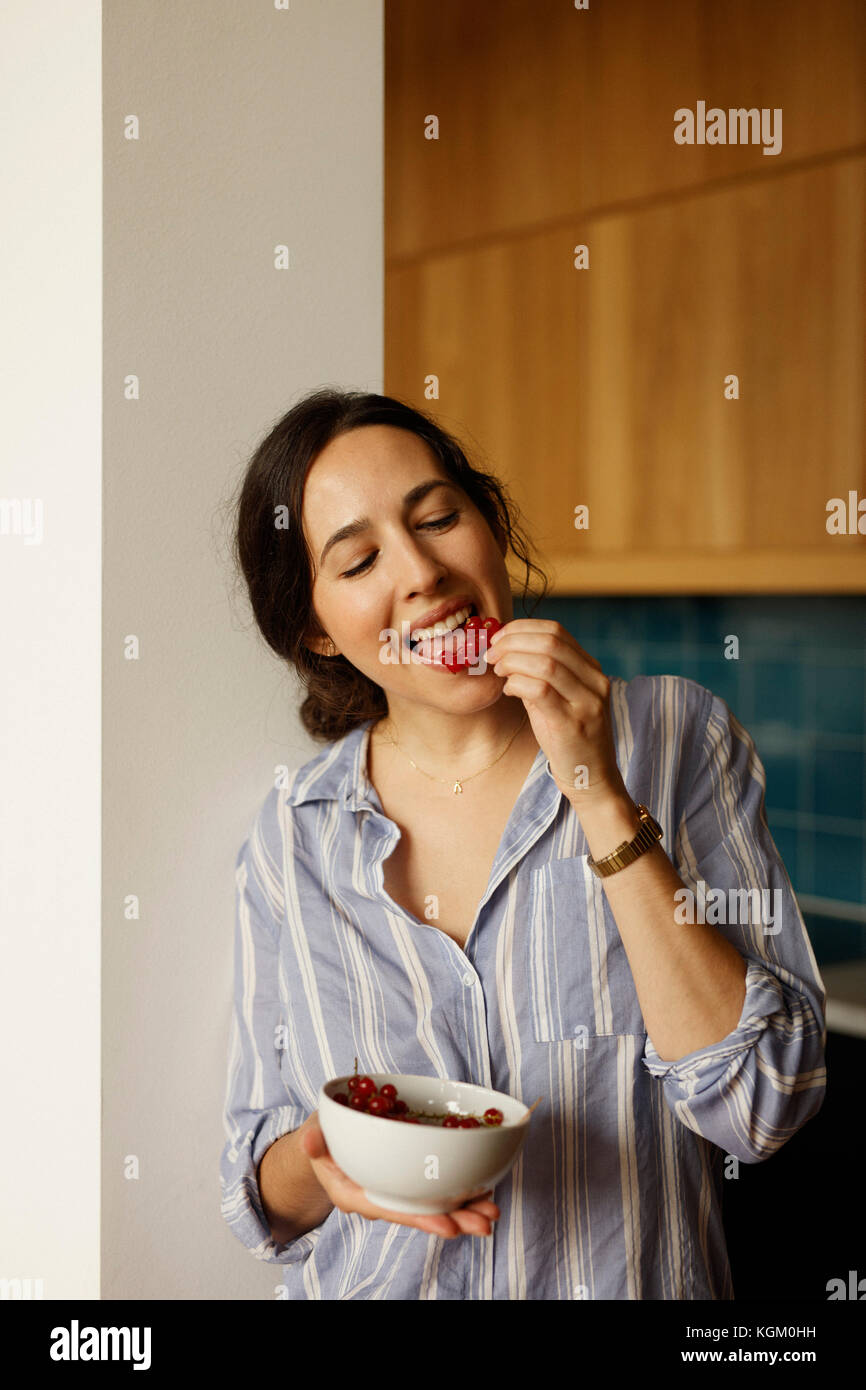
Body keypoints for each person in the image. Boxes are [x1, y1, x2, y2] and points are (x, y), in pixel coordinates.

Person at [219, 388, 827, 1300]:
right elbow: (262, 1190)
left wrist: (598, 792)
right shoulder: (293, 831)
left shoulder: (672, 736)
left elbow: (762, 1108)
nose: (421, 571)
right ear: (316, 630)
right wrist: (321, 1156)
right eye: (359, 561)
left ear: (487, 526)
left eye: (437, 517)